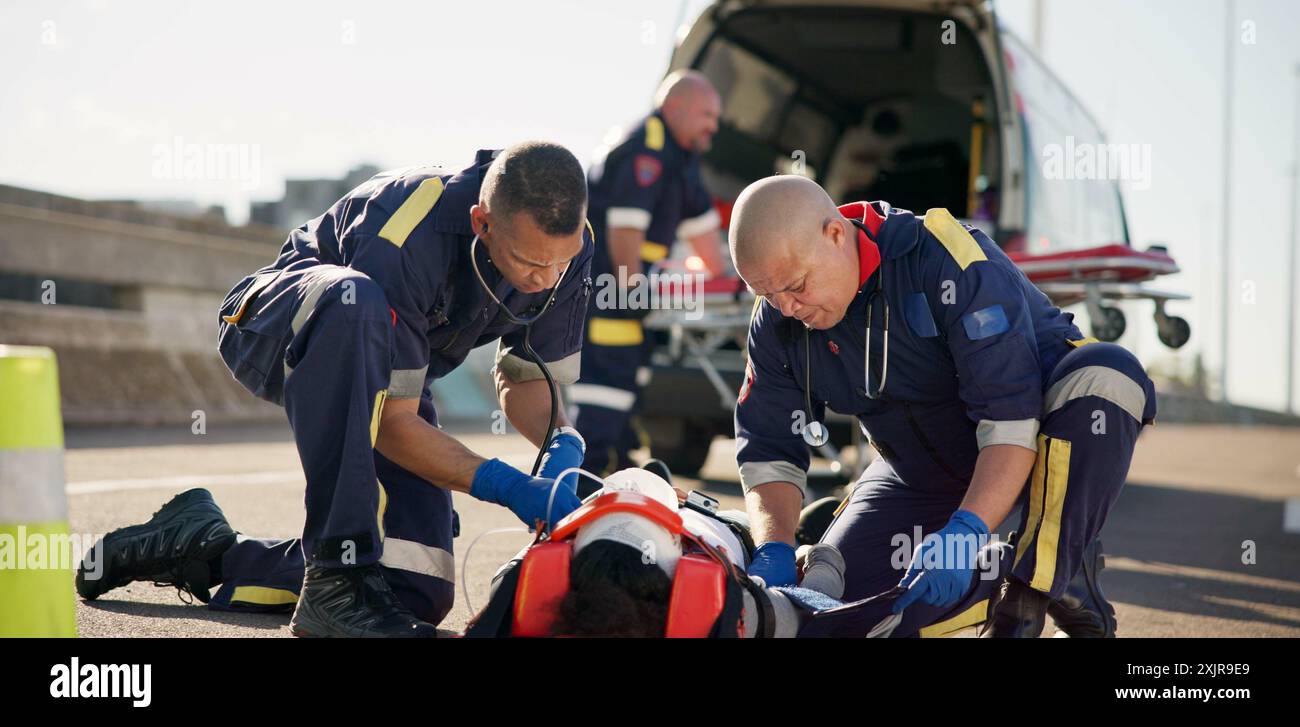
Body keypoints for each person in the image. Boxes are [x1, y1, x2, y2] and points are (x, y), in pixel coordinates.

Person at [77, 142, 596, 637]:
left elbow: (528, 378)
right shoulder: (410, 234)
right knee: (356, 300)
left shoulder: (567, 247)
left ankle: (205, 550)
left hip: (386, 376)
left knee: (413, 585)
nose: (547, 279)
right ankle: (332, 580)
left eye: (560, 262)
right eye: (530, 262)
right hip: (284, 324)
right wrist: (507, 486)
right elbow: (393, 426)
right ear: (482, 224)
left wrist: (562, 443)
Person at [728, 175, 1156, 637]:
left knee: (1108, 377)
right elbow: (769, 448)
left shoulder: (949, 262)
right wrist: (772, 549)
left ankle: (1026, 599)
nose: (786, 308)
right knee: (835, 616)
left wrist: (965, 533)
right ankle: (1055, 569)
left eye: (795, 286)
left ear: (835, 234)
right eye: (768, 294)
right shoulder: (776, 318)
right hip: (915, 473)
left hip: (1029, 449)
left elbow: (1009, 423)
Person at [465, 468, 850, 638]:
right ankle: (806, 526)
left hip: (699, 521)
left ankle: (658, 477)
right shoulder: (722, 607)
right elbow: (816, 604)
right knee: (813, 524)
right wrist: (812, 556)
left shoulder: (525, 590)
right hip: (726, 528)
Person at [571, 70, 728, 478]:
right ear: (675, 107)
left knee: (629, 382)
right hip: (607, 291)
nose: (714, 125)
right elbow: (625, 233)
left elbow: (706, 237)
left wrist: (733, 279)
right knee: (604, 388)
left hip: (628, 297)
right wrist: (634, 295)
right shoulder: (645, 150)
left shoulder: (682, 156)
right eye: (707, 114)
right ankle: (584, 479)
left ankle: (618, 468)